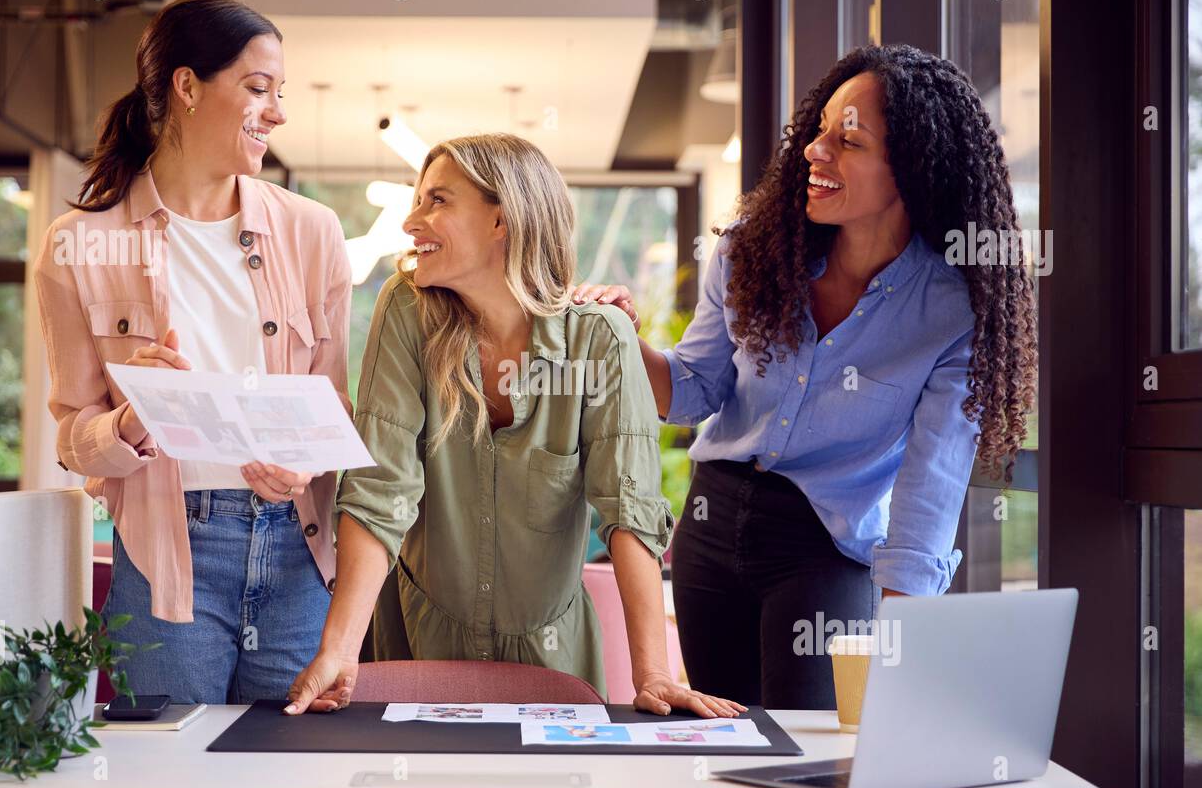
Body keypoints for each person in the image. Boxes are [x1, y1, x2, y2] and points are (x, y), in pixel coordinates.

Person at [571, 44, 1038, 709]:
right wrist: (622, 338)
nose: (816, 151)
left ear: (913, 165)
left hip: (824, 543)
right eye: (818, 130)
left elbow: (929, 489)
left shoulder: (952, 309)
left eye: (847, 140)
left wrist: (902, 645)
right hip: (713, 519)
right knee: (718, 739)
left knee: (810, 754)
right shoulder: (749, 253)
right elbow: (693, 391)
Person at [284, 133, 745, 719]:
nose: (410, 221)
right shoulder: (406, 311)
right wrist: (339, 651)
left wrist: (653, 675)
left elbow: (629, 507)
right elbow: (380, 490)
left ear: (501, 219)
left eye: (437, 201)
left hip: (551, 661)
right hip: (416, 644)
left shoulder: (598, 338)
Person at [34, 0, 353, 703]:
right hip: (166, 555)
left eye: (280, 93)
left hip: (297, 554)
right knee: (172, 787)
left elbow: (333, 402)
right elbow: (72, 437)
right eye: (257, 88)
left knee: (289, 785)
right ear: (186, 86)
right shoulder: (78, 245)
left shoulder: (313, 232)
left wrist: (301, 458)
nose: (276, 111)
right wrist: (127, 422)